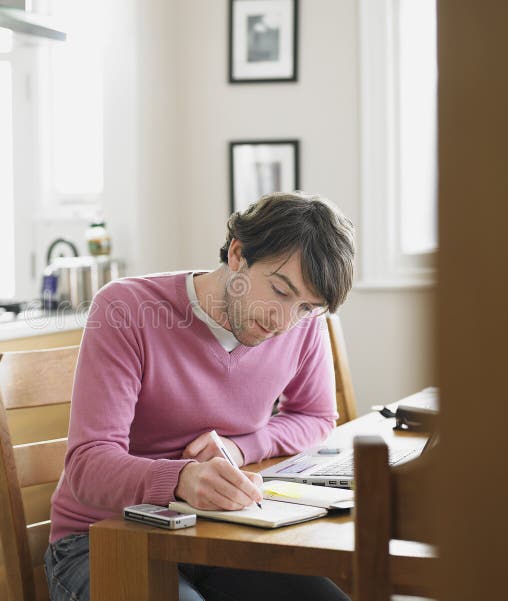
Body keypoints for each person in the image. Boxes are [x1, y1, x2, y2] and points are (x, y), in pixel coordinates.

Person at [44, 192, 356, 601]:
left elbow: (316, 416)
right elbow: (87, 465)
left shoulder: (301, 325)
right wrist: (181, 479)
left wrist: (239, 449)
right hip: (101, 540)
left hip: (219, 534)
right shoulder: (126, 309)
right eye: (280, 291)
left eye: (307, 307)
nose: (285, 322)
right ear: (238, 255)